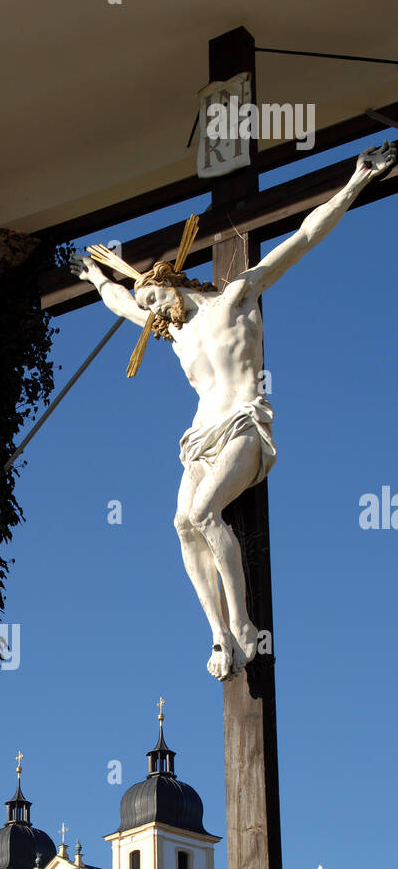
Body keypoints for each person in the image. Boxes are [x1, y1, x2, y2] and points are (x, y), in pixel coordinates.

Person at [71, 143, 396, 680]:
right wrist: (98, 279)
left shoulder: (237, 298)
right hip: (200, 436)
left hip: (244, 421)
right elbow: (123, 303)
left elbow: (302, 240)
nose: (150, 317)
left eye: (154, 302)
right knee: (181, 523)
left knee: (204, 515)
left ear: (172, 284)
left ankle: (243, 626)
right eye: (148, 308)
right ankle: (218, 632)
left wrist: (355, 183)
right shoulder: (174, 333)